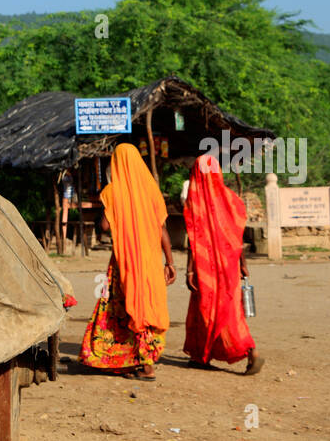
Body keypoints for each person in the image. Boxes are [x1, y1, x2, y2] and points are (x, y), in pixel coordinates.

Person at [79, 143, 176, 378]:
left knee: (125, 307)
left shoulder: (112, 192)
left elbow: (103, 226)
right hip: (152, 260)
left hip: (125, 262)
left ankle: (142, 363)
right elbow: (162, 229)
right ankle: (143, 358)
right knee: (147, 305)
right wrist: (170, 262)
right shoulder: (151, 190)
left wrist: (106, 211)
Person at [183, 154, 262, 374]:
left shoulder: (196, 200)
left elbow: (194, 237)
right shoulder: (231, 200)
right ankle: (204, 355)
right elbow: (237, 236)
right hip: (230, 265)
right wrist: (243, 263)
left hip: (205, 266)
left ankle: (246, 348)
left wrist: (189, 270)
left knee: (208, 309)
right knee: (229, 308)